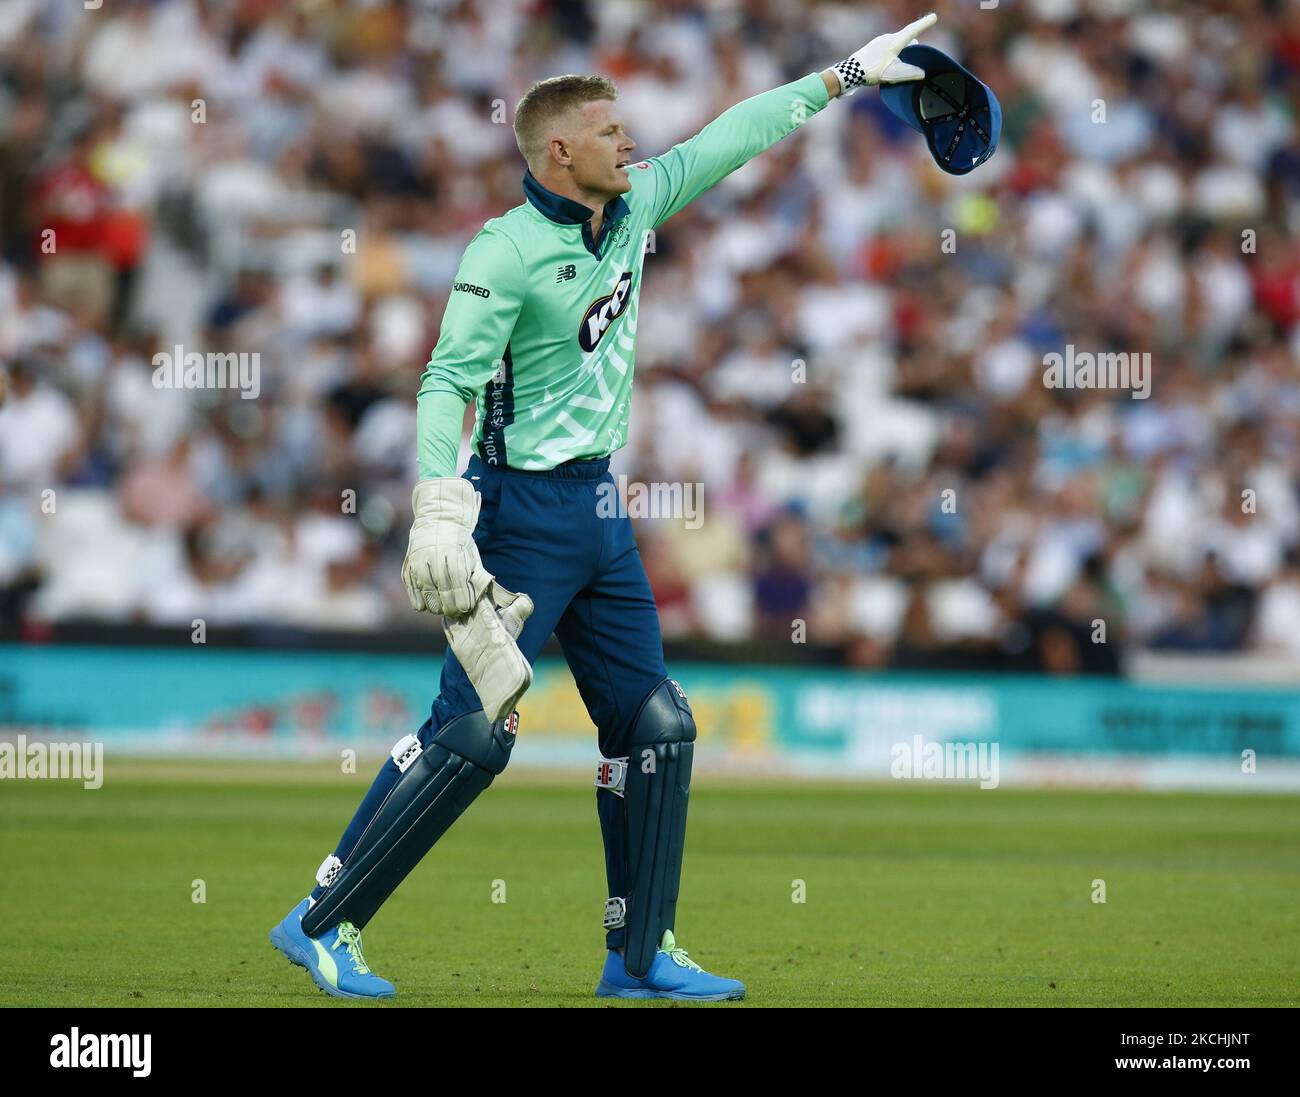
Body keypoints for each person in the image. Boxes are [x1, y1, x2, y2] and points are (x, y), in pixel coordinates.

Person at [270, 12, 940, 1002]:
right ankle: (322, 923)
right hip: (517, 517)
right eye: (611, 131)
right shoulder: (501, 252)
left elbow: (731, 135)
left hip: (597, 508)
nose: (632, 142)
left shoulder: (633, 209)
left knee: (656, 725)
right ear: (558, 148)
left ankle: (638, 954)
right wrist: (436, 504)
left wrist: (844, 75)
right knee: (470, 735)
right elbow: (444, 379)